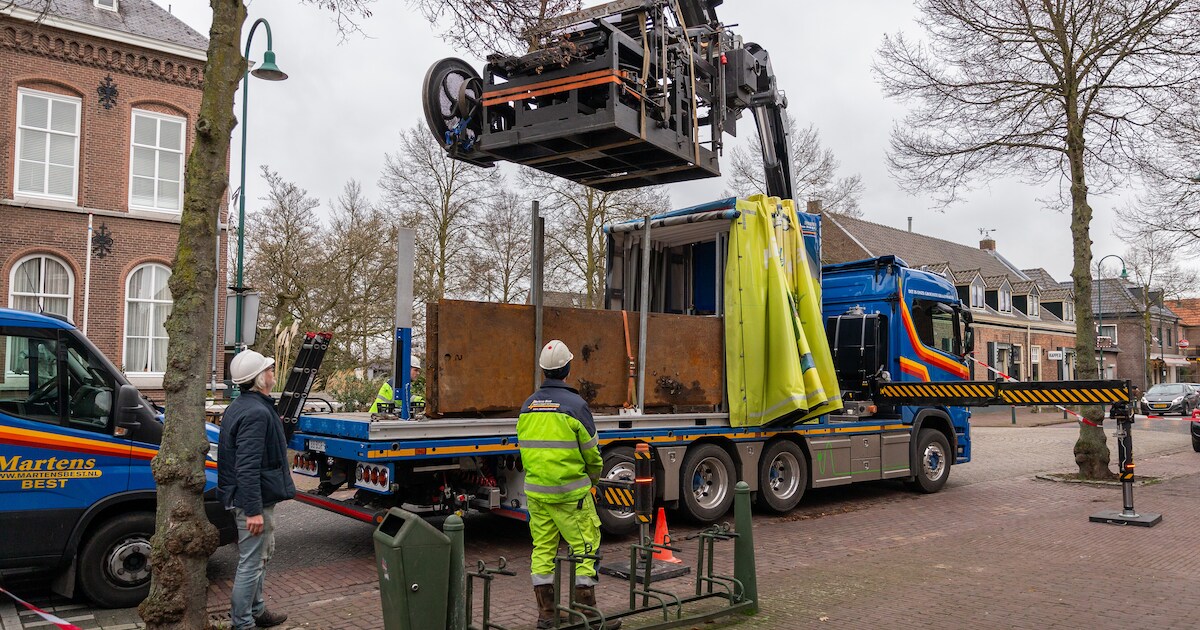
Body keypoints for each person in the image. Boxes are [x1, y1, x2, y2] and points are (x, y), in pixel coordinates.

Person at [517, 340, 619, 630]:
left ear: (543, 370)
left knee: (543, 550)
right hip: (571, 495)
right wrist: (593, 480)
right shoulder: (576, 406)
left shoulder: (528, 405)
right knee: (586, 548)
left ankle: (547, 615)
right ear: (568, 368)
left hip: (537, 494)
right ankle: (587, 618)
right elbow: (592, 454)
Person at [217, 350, 295, 630]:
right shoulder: (256, 412)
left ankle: (257, 611)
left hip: (253, 497)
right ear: (260, 379)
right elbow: (246, 466)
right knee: (251, 562)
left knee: (260, 557)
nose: (274, 374)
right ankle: (243, 623)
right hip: (253, 501)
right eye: (270, 370)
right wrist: (252, 511)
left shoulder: (241, 407)